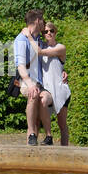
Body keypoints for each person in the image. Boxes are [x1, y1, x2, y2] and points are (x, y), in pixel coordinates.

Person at [15, 10, 53, 145]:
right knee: (33, 95)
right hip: (27, 81)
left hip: (41, 83)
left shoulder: (38, 40)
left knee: (43, 100)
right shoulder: (21, 39)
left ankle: (48, 137)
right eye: (42, 20)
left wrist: (62, 71)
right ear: (37, 20)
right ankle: (31, 134)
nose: (44, 23)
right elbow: (20, 66)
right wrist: (30, 83)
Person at [38, 21, 70, 146]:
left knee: (62, 124)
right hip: (48, 90)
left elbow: (40, 52)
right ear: (43, 34)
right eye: (45, 31)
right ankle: (48, 136)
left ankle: (65, 151)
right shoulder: (41, 46)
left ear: (55, 32)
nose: (49, 33)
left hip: (61, 90)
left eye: (51, 30)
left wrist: (28, 37)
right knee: (43, 101)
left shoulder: (60, 47)